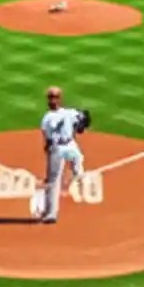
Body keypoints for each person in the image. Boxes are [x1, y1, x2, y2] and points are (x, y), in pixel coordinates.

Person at [36, 86, 85, 224]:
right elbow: (47, 137)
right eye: (51, 97)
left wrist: (81, 123)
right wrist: (47, 147)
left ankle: (76, 178)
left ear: (60, 99)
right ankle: (51, 214)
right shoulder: (47, 118)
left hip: (69, 145)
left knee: (78, 161)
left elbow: (82, 121)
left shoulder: (69, 113)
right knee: (53, 181)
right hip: (58, 148)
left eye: (55, 97)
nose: (53, 100)